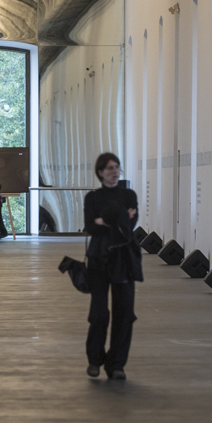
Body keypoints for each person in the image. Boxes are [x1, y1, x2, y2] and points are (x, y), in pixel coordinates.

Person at [84, 152, 141, 381]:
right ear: (100, 172)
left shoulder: (129, 195)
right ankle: (95, 360)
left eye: (117, 167)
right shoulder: (93, 198)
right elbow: (90, 226)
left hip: (124, 260)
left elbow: (129, 226)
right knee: (99, 313)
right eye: (109, 168)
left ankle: (117, 364)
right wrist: (117, 220)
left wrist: (104, 221)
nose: (114, 171)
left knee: (124, 313)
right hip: (99, 259)